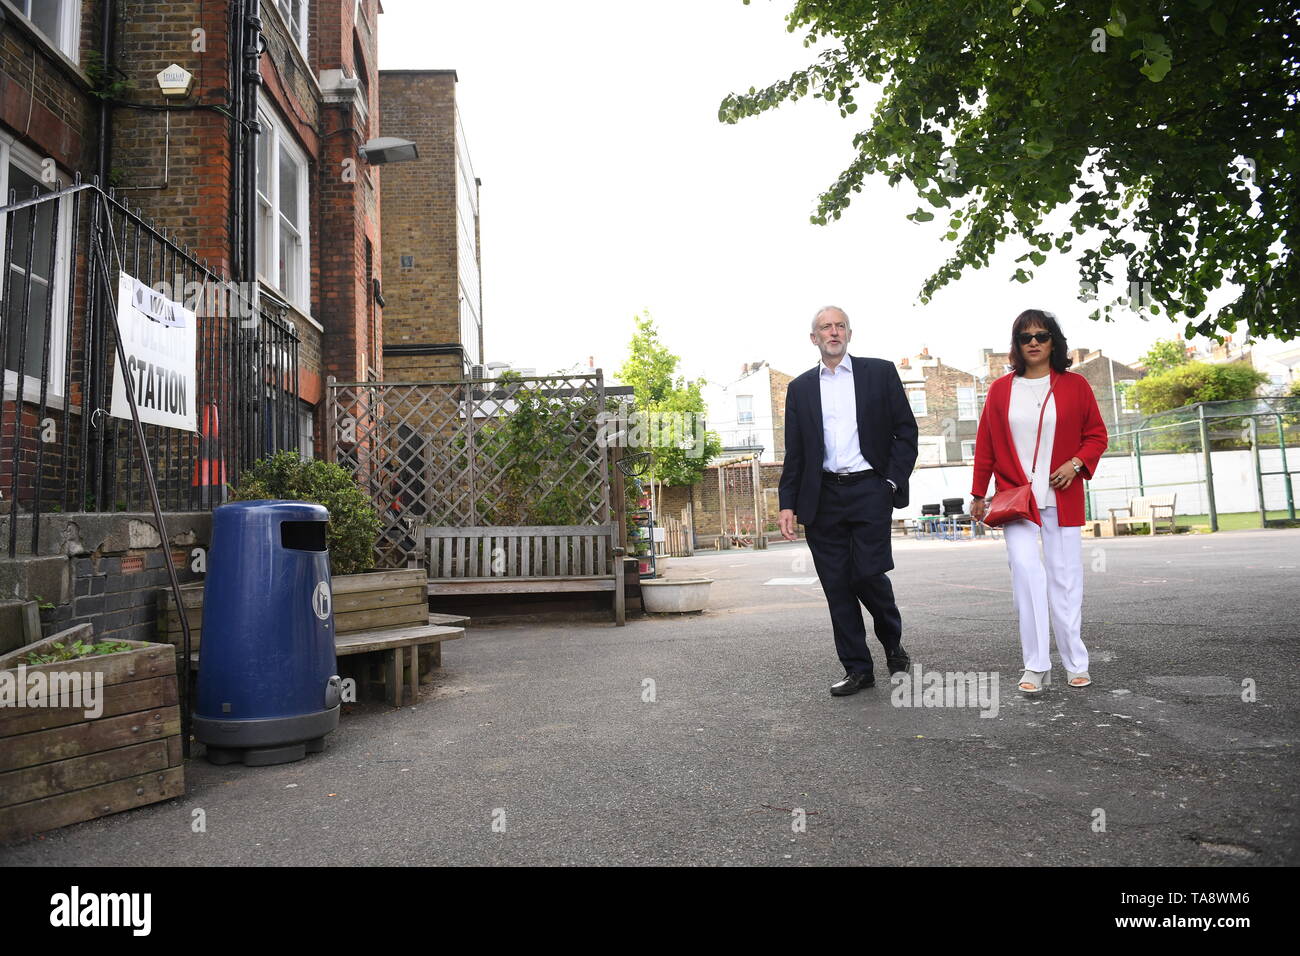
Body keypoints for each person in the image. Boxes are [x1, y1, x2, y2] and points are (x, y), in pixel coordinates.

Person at [778, 306, 919, 697]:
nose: (834, 332)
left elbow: (906, 432)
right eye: (826, 327)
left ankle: (892, 641)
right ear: (814, 338)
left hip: (870, 490)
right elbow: (797, 452)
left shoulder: (880, 373)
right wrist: (787, 502)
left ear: (849, 334)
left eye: (840, 326)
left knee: (868, 574)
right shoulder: (801, 388)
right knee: (837, 585)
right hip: (821, 496)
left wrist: (890, 482)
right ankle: (858, 669)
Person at [970, 310, 1108, 693]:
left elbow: (1096, 436)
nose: (1034, 342)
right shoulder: (1001, 390)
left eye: (1042, 335)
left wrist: (1076, 463)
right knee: (1027, 576)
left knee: (1065, 581)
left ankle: (1075, 662)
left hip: (1062, 496)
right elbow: (986, 446)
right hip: (1017, 498)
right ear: (1016, 345)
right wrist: (978, 492)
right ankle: (1035, 665)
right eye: (1025, 337)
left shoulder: (1075, 385)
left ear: (1053, 342)